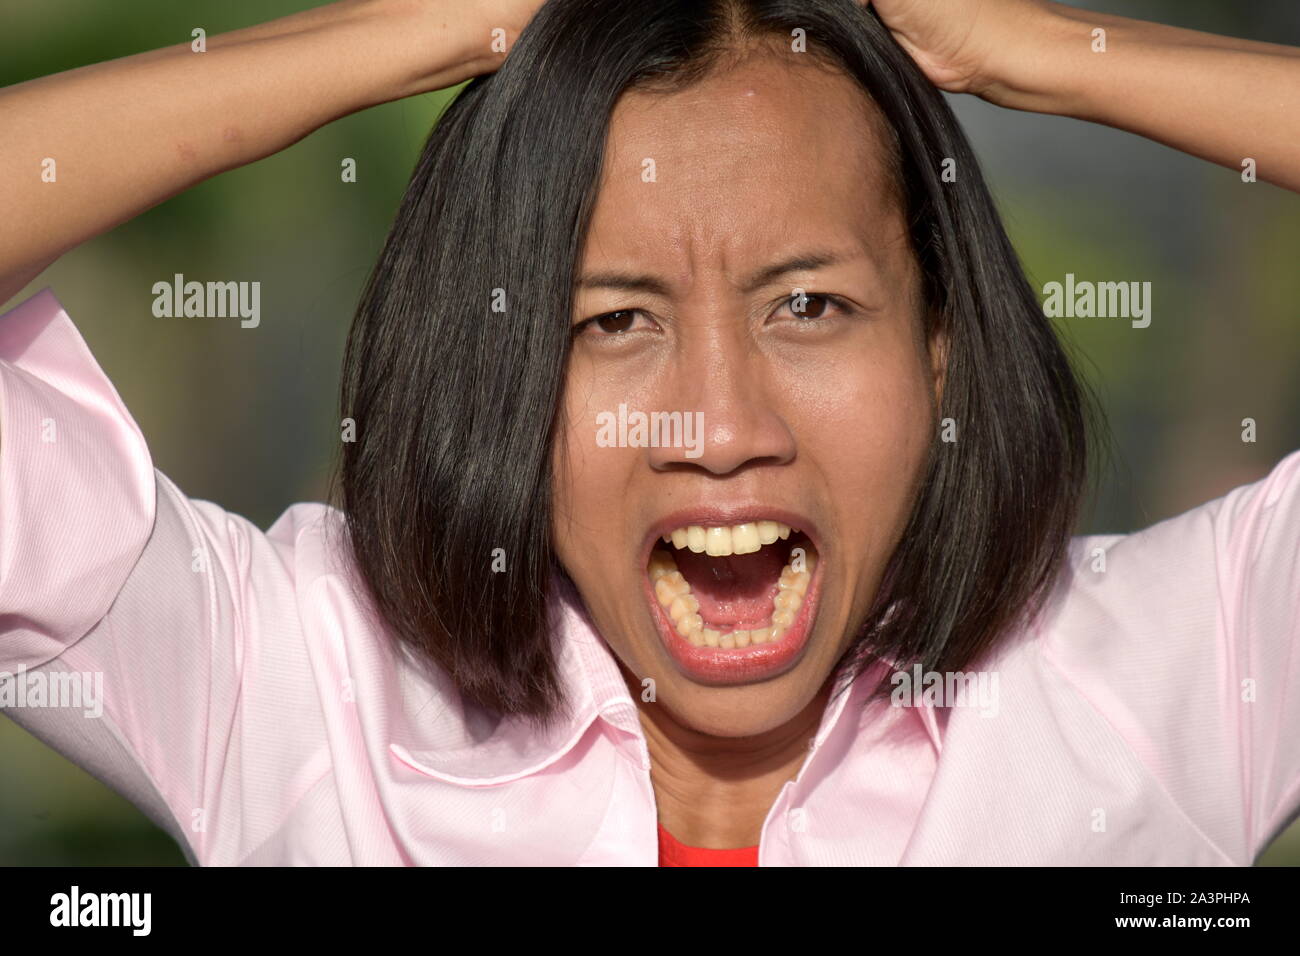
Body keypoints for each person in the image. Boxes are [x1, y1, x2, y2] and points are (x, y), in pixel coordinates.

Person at [1, 0, 1297, 866]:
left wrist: (1060, 54)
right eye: (614, 321)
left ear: (940, 351)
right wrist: (405, 34)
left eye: (810, 304)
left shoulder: (1172, 680)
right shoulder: (295, 688)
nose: (720, 426)